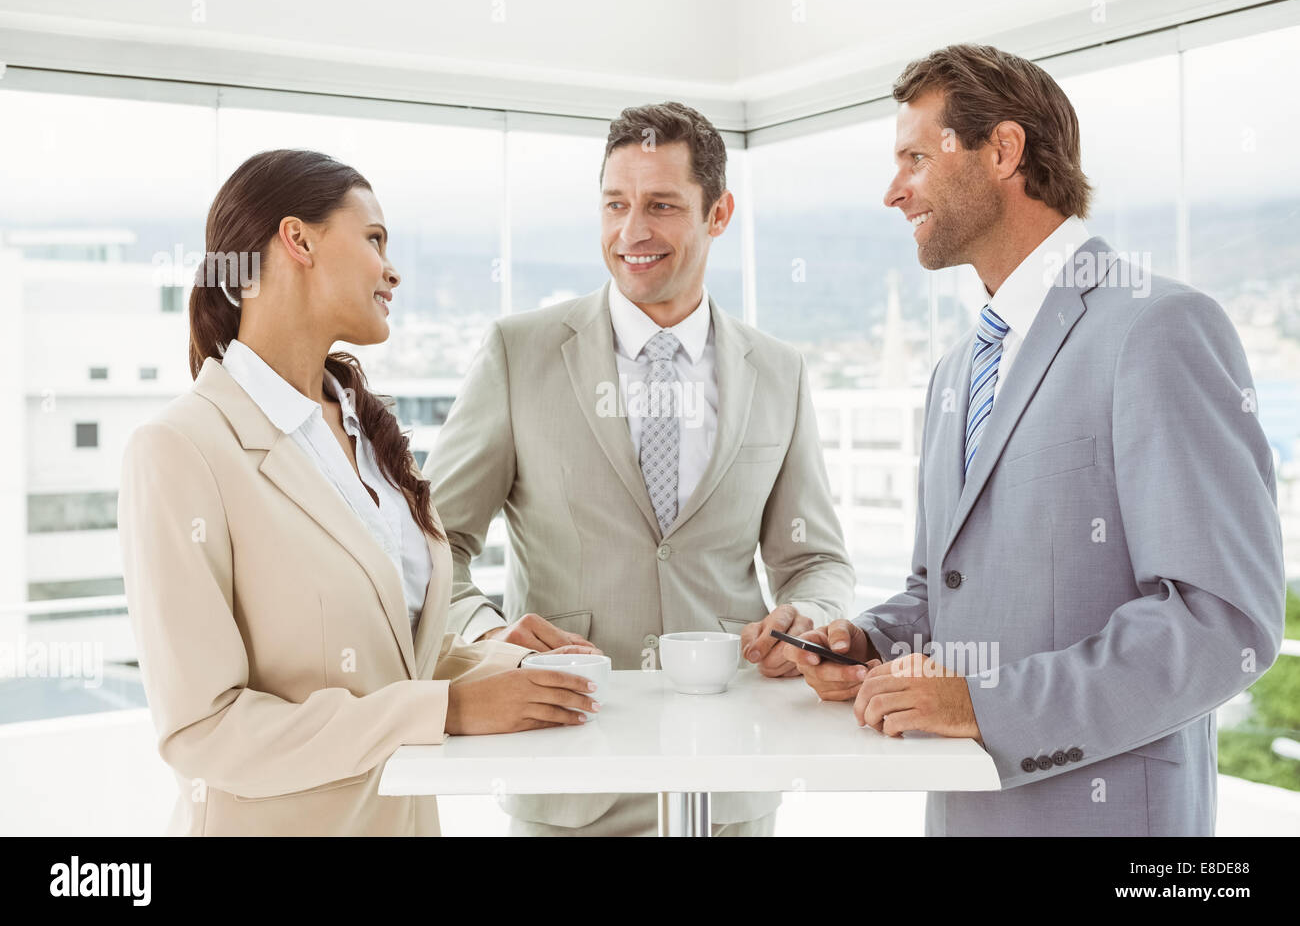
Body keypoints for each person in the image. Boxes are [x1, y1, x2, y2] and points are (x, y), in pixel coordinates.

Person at [787, 44, 1285, 836]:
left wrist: (986, 704)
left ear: (1004, 151)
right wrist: (865, 641)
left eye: (916, 156)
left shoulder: (1156, 328)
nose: (892, 191)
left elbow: (1221, 621)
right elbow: (942, 589)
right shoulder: (957, 369)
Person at [118, 149, 600, 836]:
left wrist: (504, 659)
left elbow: (383, 660)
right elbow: (205, 730)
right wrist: (451, 710)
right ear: (298, 240)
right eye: (374, 240)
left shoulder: (363, 435)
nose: (392, 269)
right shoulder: (180, 450)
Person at [425, 102, 854, 836]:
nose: (632, 233)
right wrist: (490, 635)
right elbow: (433, 546)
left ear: (718, 213)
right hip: (564, 770)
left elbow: (814, 557)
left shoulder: (777, 372)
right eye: (616, 205)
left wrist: (805, 619)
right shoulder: (516, 354)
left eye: (661, 205)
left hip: (731, 778)